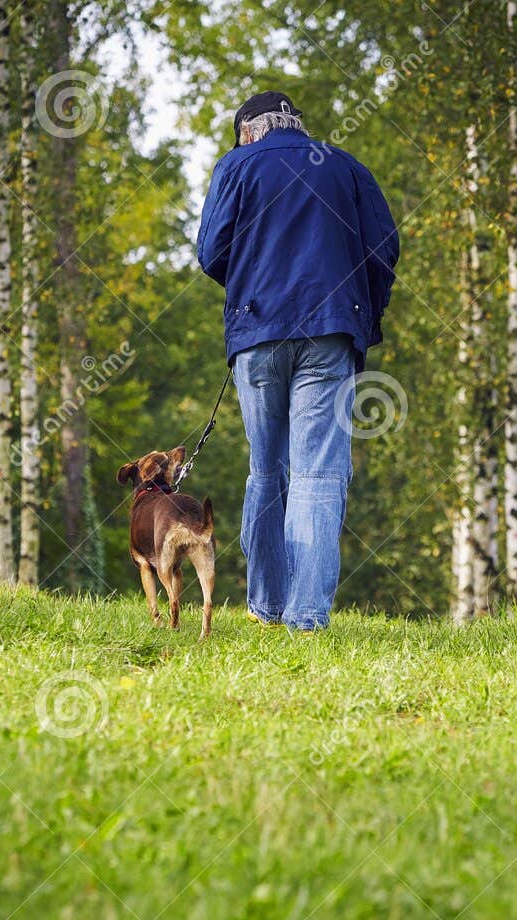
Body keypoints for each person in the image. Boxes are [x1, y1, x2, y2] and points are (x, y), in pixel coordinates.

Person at [196, 91, 399, 632]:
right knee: (318, 474)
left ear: (249, 131)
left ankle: (266, 607)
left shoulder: (236, 166)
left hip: (258, 333)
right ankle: (306, 618)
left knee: (266, 470)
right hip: (332, 330)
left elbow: (210, 252)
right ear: (294, 125)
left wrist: (252, 290)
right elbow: (384, 250)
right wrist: (362, 316)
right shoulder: (346, 167)